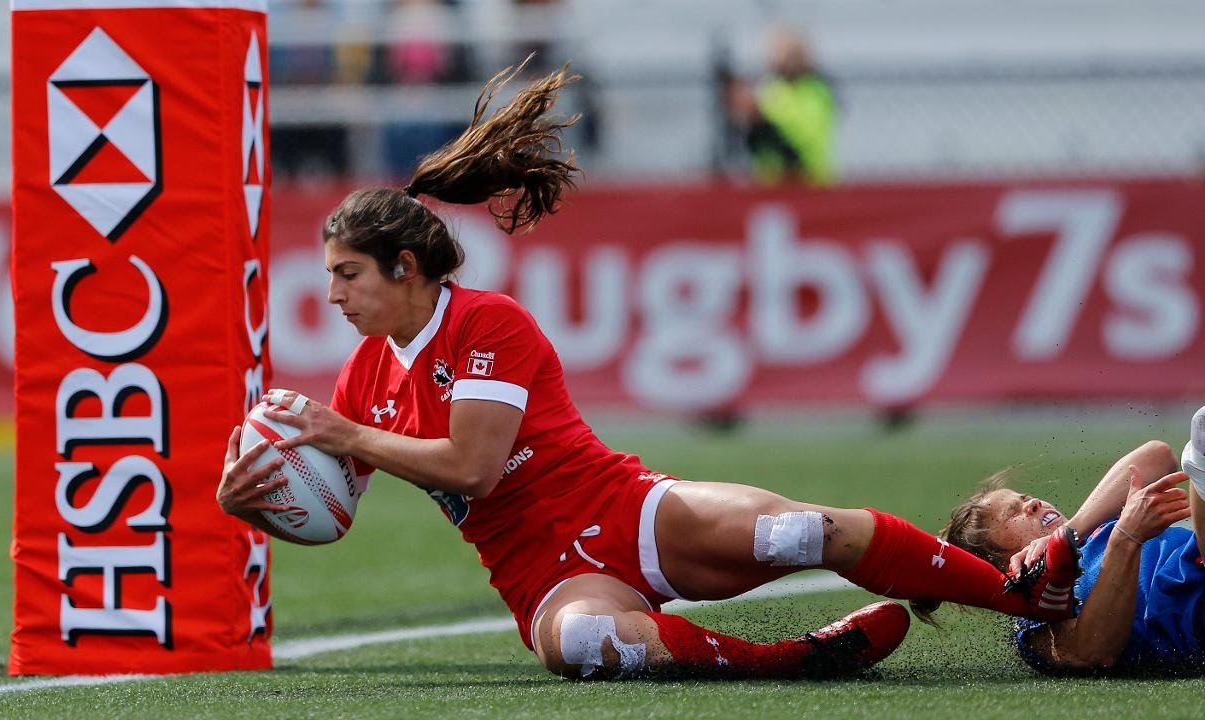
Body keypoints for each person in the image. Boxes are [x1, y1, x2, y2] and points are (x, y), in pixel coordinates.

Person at [216, 60, 1079, 681]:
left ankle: (1023, 598)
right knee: (584, 646)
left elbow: (474, 467)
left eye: (347, 274)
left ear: (405, 267)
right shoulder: (363, 381)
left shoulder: (485, 321)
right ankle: (792, 660)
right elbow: (333, 512)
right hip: (546, 579)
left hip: (630, 513)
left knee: (803, 534)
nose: (332, 294)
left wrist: (341, 433)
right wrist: (256, 497)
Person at [935, 409, 1205, 675]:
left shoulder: (1093, 532)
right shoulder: (1036, 610)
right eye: (1013, 513)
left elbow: (1158, 455)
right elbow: (1091, 653)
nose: (1032, 503)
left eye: (1025, 498)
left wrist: (1071, 530)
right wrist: (1126, 536)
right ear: (1000, 565)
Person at [734, 27, 838, 186]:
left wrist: (762, 120)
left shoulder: (816, 91)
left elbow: (804, 138)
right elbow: (755, 142)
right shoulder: (770, 88)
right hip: (772, 185)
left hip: (812, 183)